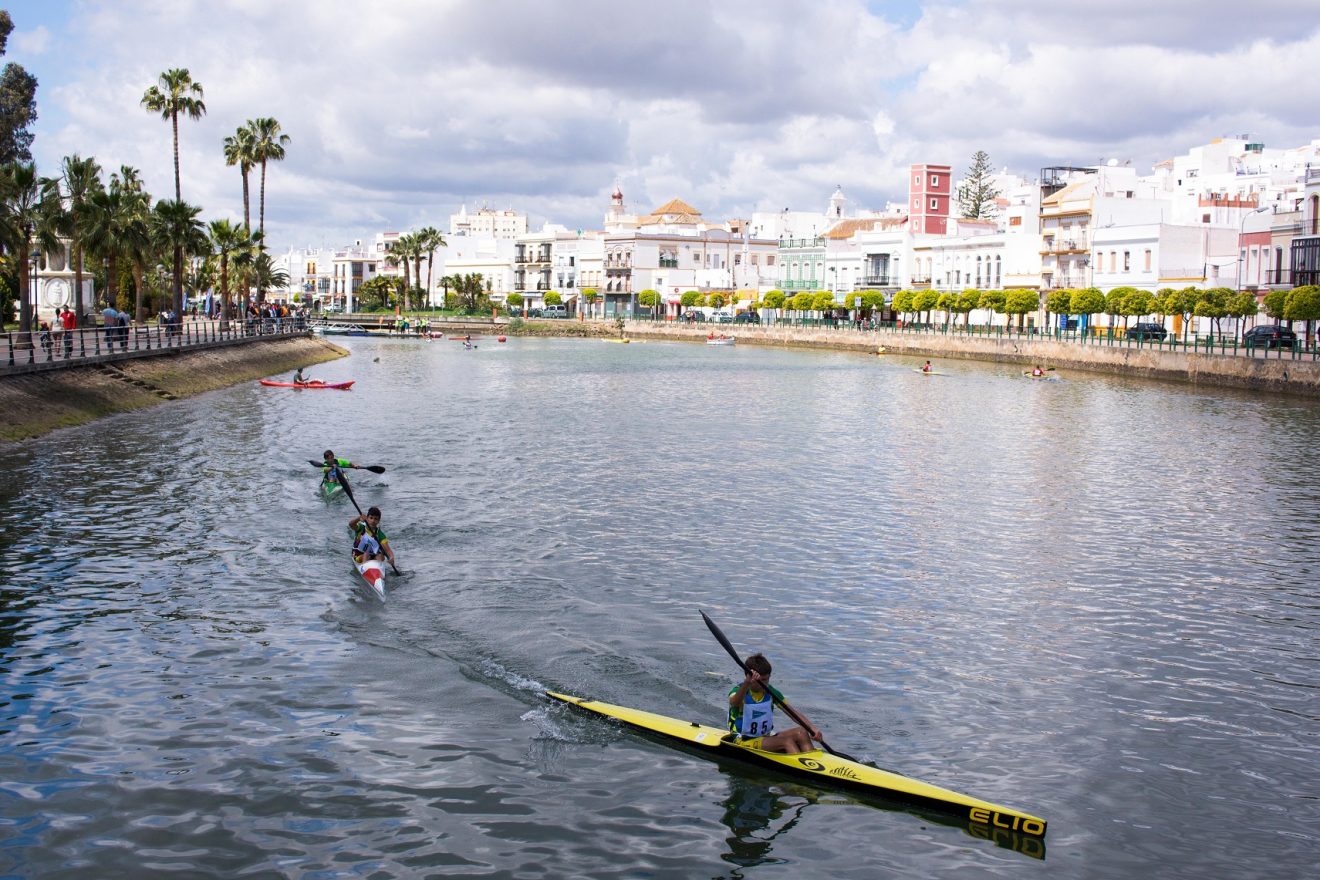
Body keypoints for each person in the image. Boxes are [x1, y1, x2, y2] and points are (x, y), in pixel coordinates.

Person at [727, 653, 821, 755]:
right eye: (761, 680)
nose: (765, 683)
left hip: (765, 738)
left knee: (802, 732)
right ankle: (802, 768)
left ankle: (812, 763)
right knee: (786, 742)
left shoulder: (771, 692)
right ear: (748, 677)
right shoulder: (738, 691)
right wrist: (747, 683)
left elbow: (792, 713)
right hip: (742, 741)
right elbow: (734, 703)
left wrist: (812, 728)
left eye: (767, 679)